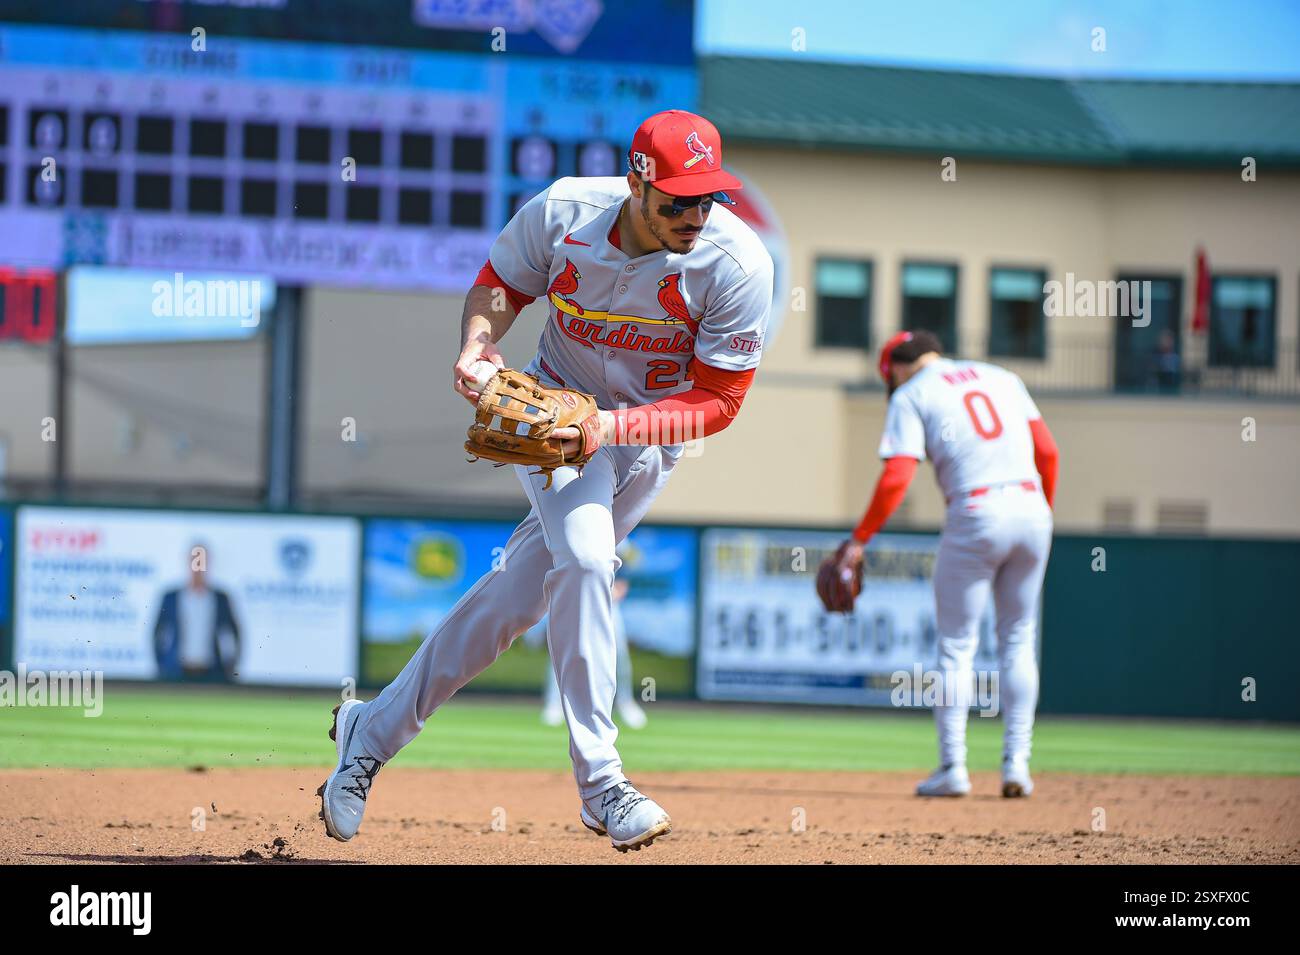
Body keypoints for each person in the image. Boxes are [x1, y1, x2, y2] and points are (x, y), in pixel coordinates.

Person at [319, 110, 773, 851]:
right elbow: (499, 285)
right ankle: (603, 786)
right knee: (589, 557)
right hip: (554, 420)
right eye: (677, 200)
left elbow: (719, 401)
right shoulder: (564, 211)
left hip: (647, 434)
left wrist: (614, 427)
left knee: (514, 601)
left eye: (707, 198)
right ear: (636, 182)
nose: (695, 214)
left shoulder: (736, 263)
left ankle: (369, 731)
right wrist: (477, 343)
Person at [822, 331, 1059, 798]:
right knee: (1018, 639)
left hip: (976, 512)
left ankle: (954, 768)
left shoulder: (913, 393)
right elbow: (1048, 453)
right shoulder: (1003, 376)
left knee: (956, 647)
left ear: (896, 369)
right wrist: (1042, 514)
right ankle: (1017, 765)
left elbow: (897, 476)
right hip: (1033, 508)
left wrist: (858, 540)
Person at [541, 575, 646, 730]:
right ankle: (555, 703)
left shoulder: (618, 550)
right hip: (573, 601)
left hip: (606, 604)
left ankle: (625, 702)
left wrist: (600, 595)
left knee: (619, 657)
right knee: (561, 653)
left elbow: (622, 583)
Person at [152, 542, 241, 682]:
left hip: (212, 673)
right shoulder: (171, 597)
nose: (198, 566)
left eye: (202, 561)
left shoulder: (220, 598)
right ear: (188, 562)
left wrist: (231, 666)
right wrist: (161, 664)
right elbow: (157, 633)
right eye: (195, 560)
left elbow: (235, 634)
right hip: (176, 672)